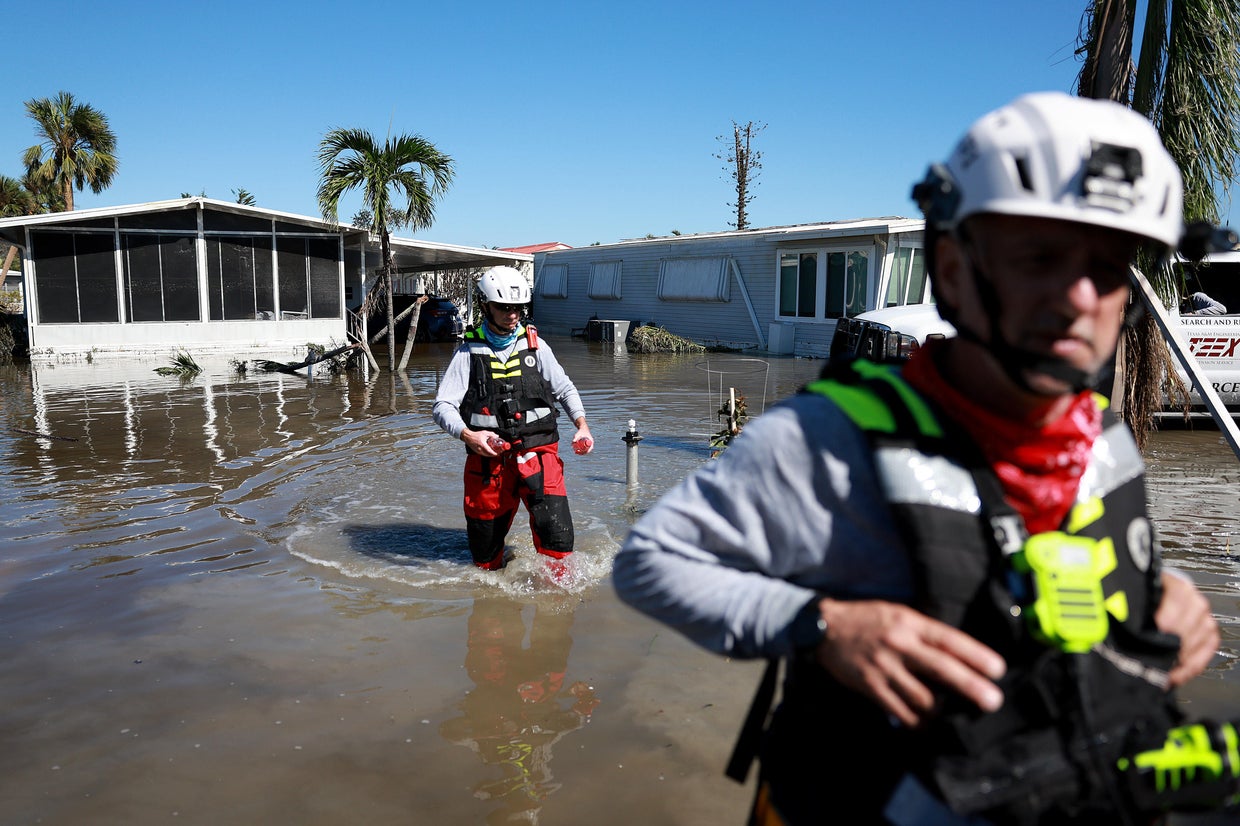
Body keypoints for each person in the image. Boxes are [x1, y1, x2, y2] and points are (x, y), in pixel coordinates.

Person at [613, 92, 1228, 825]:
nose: (1077, 299)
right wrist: (824, 624)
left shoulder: (1102, 435)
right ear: (953, 268)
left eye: (1106, 269)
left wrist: (1167, 596)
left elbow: (1099, 566)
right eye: (1039, 258)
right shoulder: (832, 440)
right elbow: (650, 561)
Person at [433, 265, 594, 571]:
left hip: (538, 451)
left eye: (518, 308)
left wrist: (582, 426)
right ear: (485, 306)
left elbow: (565, 389)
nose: (512, 315)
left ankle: (556, 598)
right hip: (489, 460)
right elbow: (442, 406)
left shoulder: (538, 347)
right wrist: (469, 435)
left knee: (558, 539)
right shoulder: (468, 352)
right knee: (483, 557)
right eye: (504, 308)